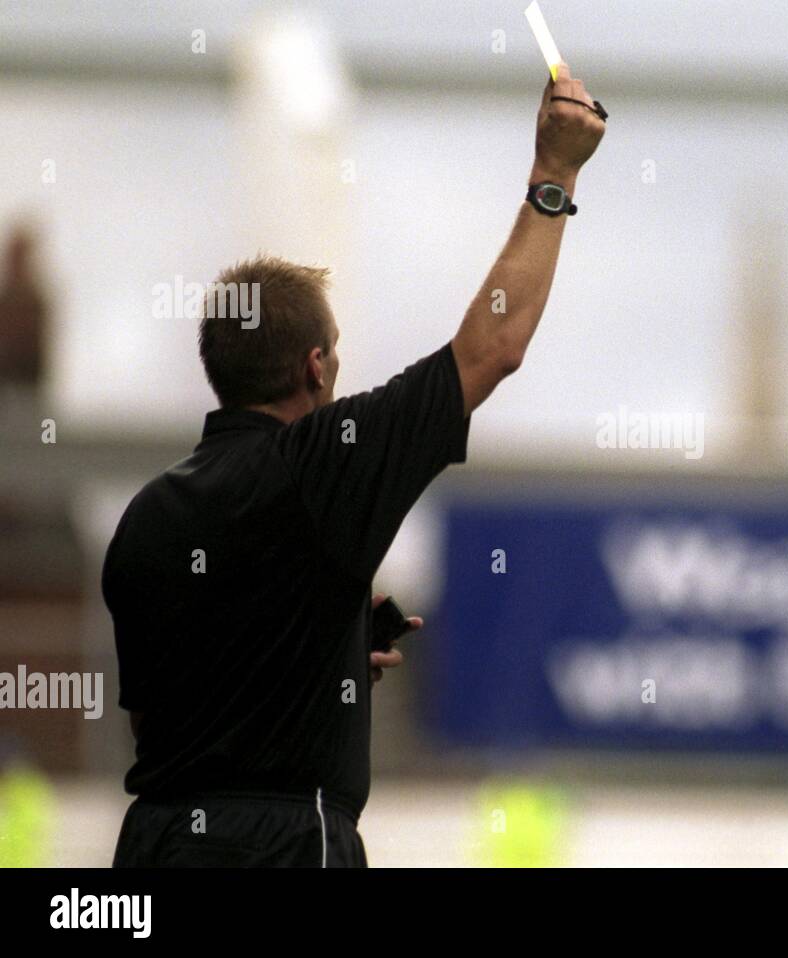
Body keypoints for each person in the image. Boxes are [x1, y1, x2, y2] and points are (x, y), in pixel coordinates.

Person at [104, 64, 606, 867]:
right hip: (288, 844)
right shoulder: (322, 464)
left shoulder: (144, 518)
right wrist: (555, 177)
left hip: (154, 843)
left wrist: (315, 659)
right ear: (316, 368)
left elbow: (169, 715)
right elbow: (493, 347)